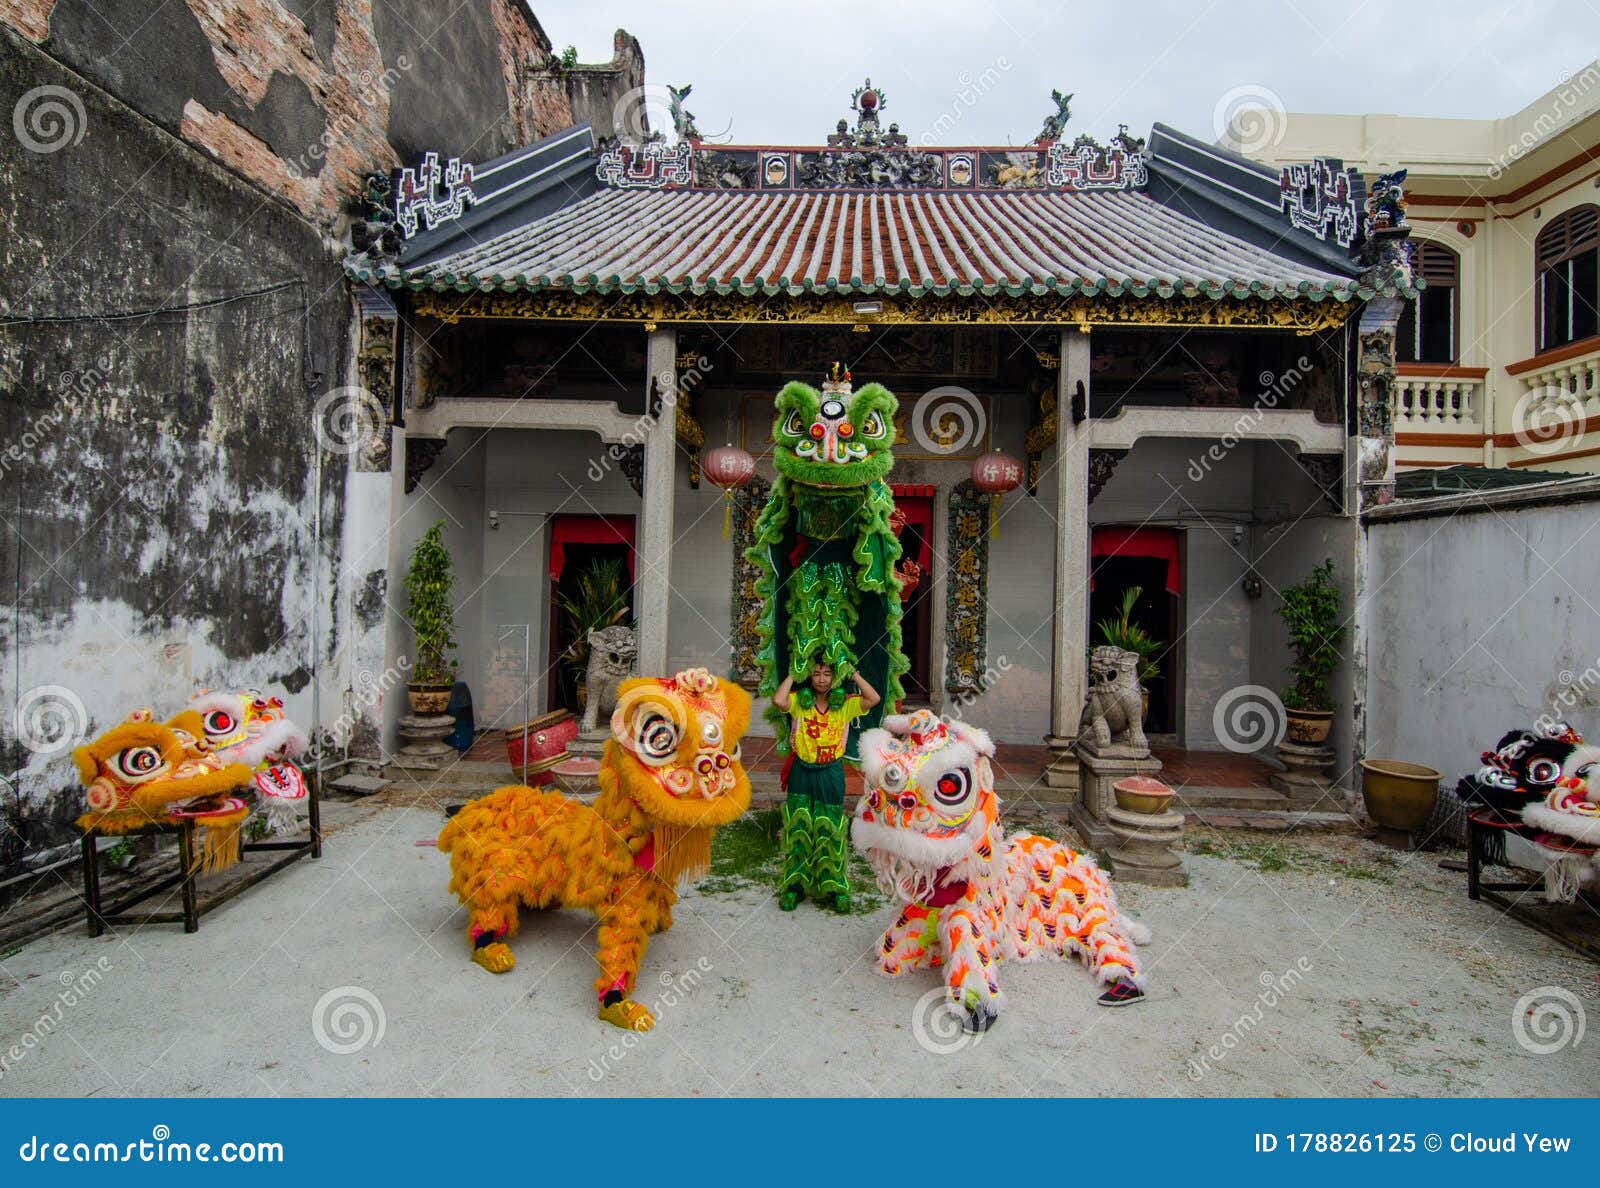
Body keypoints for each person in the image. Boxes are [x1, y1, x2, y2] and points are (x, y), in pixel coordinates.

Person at [774, 662, 879, 912]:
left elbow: (873, 698)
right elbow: (779, 701)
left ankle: (834, 886)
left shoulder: (844, 704)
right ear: (809, 677)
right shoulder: (800, 701)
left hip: (830, 772)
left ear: (835, 676)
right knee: (798, 826)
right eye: (816, 673)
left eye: (827, 673)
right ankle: (795, 885)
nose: (821, 679)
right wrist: (794, 672)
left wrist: (852, 672)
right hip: (802, 770)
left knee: (830, 826)